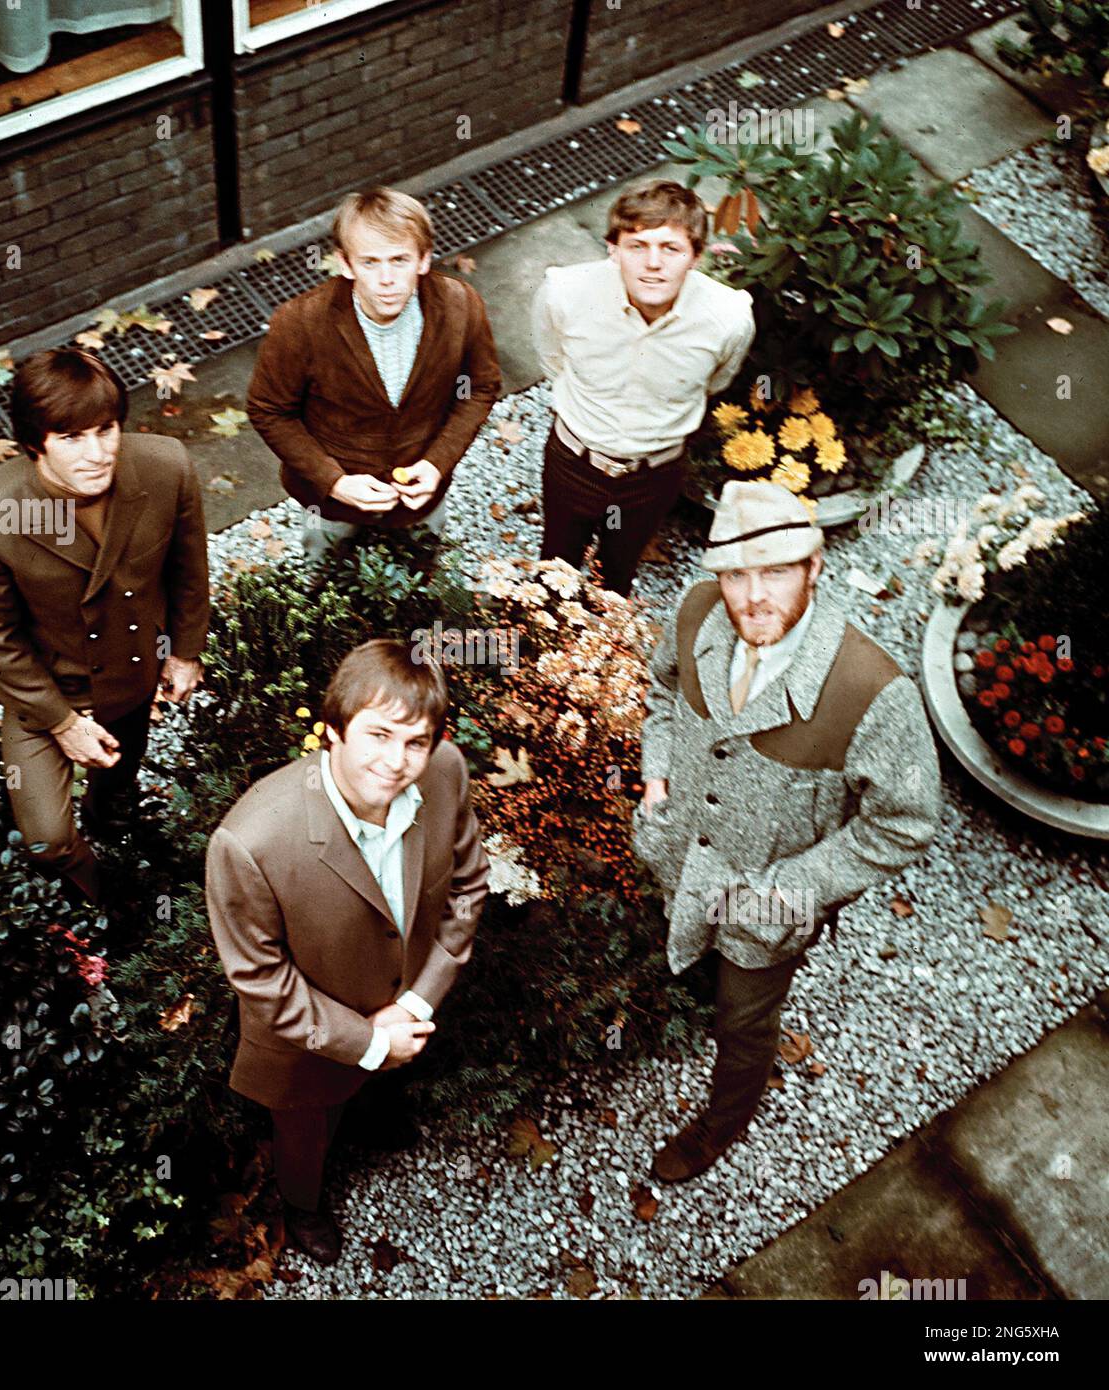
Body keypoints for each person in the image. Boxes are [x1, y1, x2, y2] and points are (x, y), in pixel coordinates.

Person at [633, 480, 941, 1182]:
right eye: (737, 574)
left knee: (742, 1027)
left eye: (776, 570)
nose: (753, 596)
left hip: (766, 909)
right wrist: (656, 777)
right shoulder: (694, 610)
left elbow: (906, 823)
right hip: (680, 854)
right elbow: (659, 690)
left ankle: (721, 1128)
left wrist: (790, 887)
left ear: (816, 566)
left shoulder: (873, 691)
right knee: (679, 947)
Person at [205, 639, 490, 1264]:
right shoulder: (249, 843)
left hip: (404, 1001)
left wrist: (414, 1004)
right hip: (308, 1039)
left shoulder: (446, 773)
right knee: (306, 1134)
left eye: (416, 742)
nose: (397, 762)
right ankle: (303, 1206)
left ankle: (372, 1110)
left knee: (375, 1094)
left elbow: (468, 887)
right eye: (379, 735)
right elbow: (262, 980)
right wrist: (370, 1042)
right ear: (332, 730)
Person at [0, 348, 209, 904]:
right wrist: (63, 723)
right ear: (34, 442)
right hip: (48, 693)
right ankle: (102, 895)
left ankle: (113, 815)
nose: (96, 454)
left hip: (134, 675)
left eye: (106, 430)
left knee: (119, 777)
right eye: (70, 438)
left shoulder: (167, 467)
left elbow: (188, 567)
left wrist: (185, 653)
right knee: (47, 839)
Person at [245, 187, 502, 567]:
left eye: (399, 260)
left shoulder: (459, 305)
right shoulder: (300, 323)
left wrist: (436, 464)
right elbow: (269, 410)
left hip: (418, 497)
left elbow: (480, 387)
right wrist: (334, 482)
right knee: (324, 581)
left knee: (418, 577)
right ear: (345, 264)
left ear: (424, 260)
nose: (386, 279)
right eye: (370, 262)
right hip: (331, 503)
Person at [531, 178, 756, 596]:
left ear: (696, 257)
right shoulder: (564, 293)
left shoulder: (729, 318)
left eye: (670, 249)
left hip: (653, 477)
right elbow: (553, 360)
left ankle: (604, 653)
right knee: (552, 571)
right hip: (573, 463)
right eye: (638, 246)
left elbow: (715, 381)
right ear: (613, 249)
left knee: (616, 578)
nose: (653, 263)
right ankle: (538, 651)